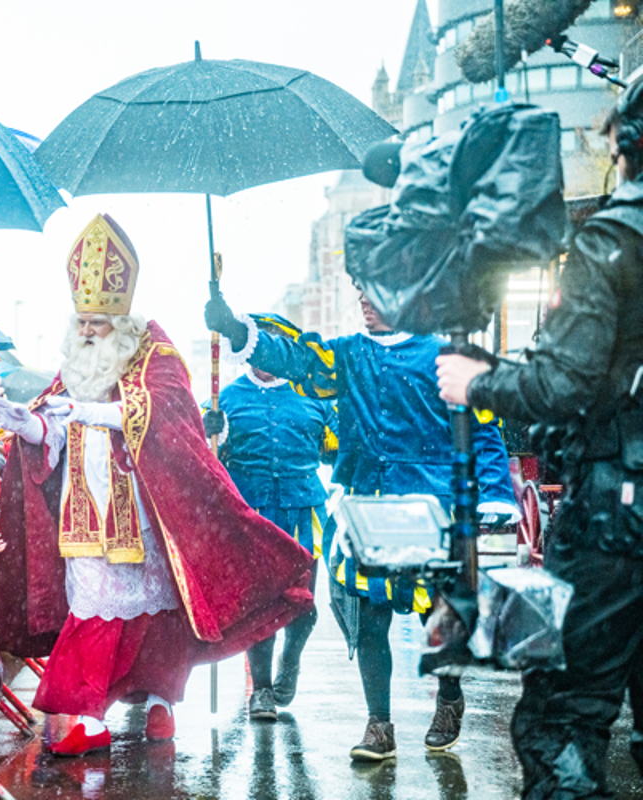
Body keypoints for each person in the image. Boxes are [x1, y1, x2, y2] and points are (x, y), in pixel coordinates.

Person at [0, 213, 313, 756]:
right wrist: (32, 425)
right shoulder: (75, 364)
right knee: (92, 605)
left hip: (147, 508)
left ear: (121, 319)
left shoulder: (155, 353)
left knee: (158, 609)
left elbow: (167, 414)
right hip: (84, 508)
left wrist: (92, 412)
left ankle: (160, 702)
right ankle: (80, 711)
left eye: (98, 323)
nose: (88, 332)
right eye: (82, 322)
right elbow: (58, 421)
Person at [436, 78, 643, 798]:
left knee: (565, 714)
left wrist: (477, 384)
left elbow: (566, 386)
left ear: (626, 147)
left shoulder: (612, 241)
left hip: (618, 515)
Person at [206, 290, 518, 762]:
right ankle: (379, 725)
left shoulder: (446, 355)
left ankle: (449, 696)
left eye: (374, 293)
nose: (364, 304)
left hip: (429, 508)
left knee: (433, 614)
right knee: (371, 621)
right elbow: (298, 359)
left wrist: (495, 494)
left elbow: (484, 425)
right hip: (365, 507)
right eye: (359, 295)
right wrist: (237, 332)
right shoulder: (347, 354)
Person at [205, 314, 338, 719]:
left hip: (303, 508)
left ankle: (291, 660)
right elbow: (204, 457)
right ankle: (261, 690)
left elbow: (336, 450)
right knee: (259, 604)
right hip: (252, 513)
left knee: (304, 601)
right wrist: (209, 430)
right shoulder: (224, 399)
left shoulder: (314, 398)